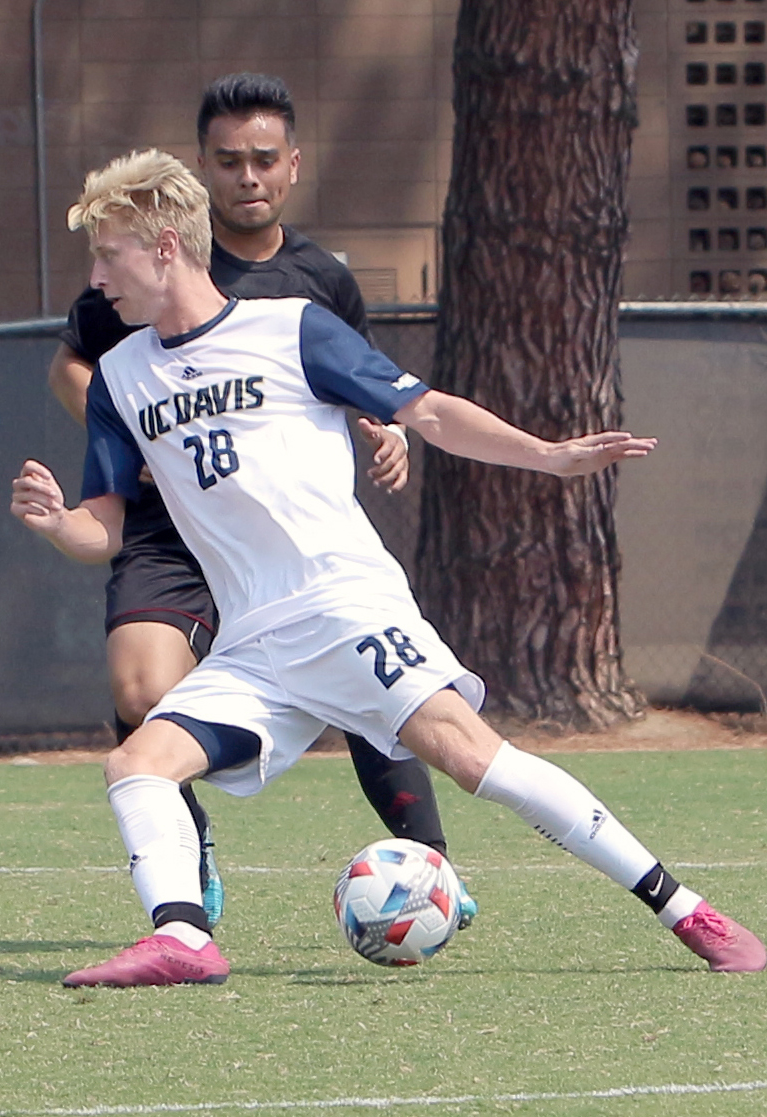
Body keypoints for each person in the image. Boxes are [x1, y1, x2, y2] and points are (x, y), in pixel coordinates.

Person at [11, 149, 767, 988]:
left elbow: (429, 410)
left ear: (162, 246)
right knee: (136, 764)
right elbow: (105, 531)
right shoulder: (119, 377)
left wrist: (548, 456)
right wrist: (57, 526)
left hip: (345, 607)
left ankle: (684, 906)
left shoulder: (292, 328)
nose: (95, 274)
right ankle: (185, 937)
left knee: (476, 760)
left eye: (107, 252)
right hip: (254, 645)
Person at [46, 73, 467, 927]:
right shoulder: (142, 259)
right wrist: (142, 441)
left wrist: (381, 431)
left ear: (293, 166)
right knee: (138, 690)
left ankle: (434, 877)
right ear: (199, 171)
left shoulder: (318, 279)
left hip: (281, 536)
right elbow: (73, 368)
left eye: (264, 160)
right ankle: (186, 853)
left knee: (376, 697)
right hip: (170, 529)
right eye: (229, 161)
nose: (248, 176)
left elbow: (358, 383)